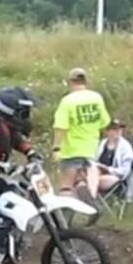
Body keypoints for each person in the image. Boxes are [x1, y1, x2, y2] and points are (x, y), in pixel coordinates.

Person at [50, 67, 112, 195]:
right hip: (91, 149)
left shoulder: (68, 101)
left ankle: (66, 213)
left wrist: (57, 148)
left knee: (66, 186)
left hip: (71, 150)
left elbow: (61, 127)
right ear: (85, 81)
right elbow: (105, 122)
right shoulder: (96, 98)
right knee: (80, 178)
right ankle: (84, 190)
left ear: (71, 82)